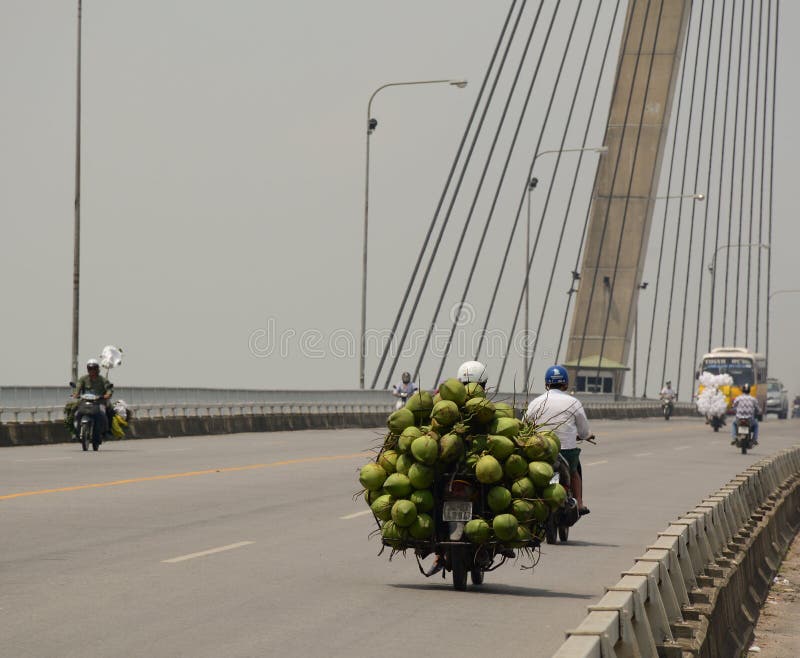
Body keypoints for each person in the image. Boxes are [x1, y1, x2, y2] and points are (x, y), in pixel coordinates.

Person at [525, 365, 591, 515]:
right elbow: (584, 431)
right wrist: (586, 436)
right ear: (566, 384)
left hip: (541, 452)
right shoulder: (573, 402)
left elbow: (524, 426)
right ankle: (579, 504)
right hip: (566, 451)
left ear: (546, 384)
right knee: (574, 471)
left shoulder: (536, 403)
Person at [74, 358, 114, 437]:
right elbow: (78, 387)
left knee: (109, 412)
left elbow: (108, 389)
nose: (92, 370)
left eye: (94, 368)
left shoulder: (103, 380)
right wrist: (76, 393)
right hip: (85, 401)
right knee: (75, 412)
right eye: (90, 368)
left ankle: (107, 431)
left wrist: (107, 394)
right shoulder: (83, 379)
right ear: (87, 369)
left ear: (97, 369)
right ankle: (76, 431)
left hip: (99, 402)